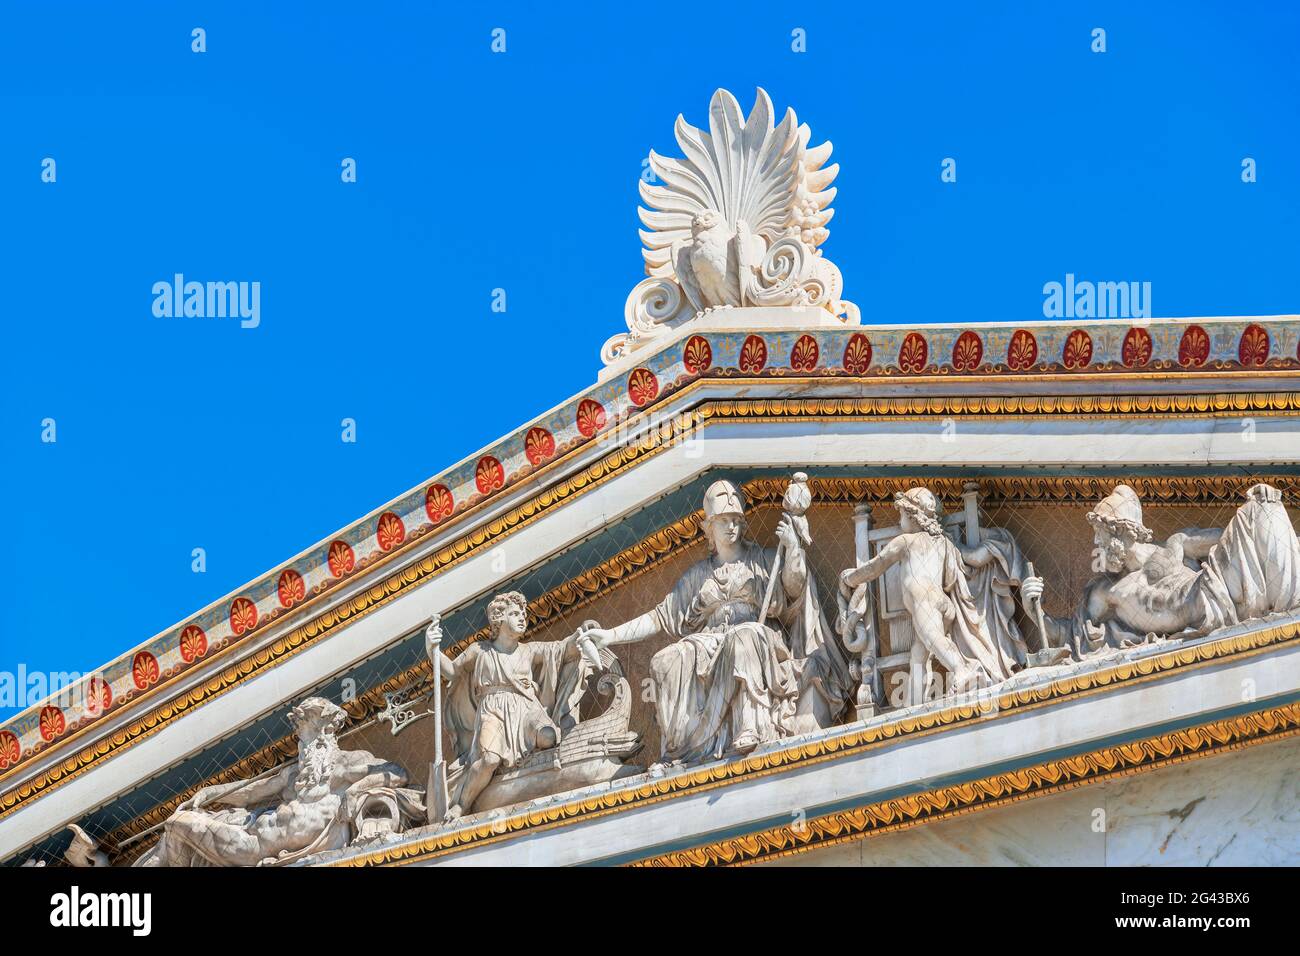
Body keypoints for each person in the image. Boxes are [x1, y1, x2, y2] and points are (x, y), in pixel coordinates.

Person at [583, 480, 826, 765]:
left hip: (760, 641)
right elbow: (660, 616)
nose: (731, 527)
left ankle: (751, 724)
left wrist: (793, 547)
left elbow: (794, 588)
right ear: (709, 527)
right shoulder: (699, 576)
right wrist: (609, 636)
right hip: (710, 645)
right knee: (668, 658)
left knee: (743, 636)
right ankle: (683, 747)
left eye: (736, 520)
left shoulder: (764, 559)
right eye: (723, 520)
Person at [427, 591, 589, 819]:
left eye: (523, 613)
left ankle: (521, 779)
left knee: (548, 738)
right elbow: (452, 670)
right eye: (515, 613)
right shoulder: (480, 651)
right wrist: (432, 649)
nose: (523, 617)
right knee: (489, 759)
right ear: (498, 619)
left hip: (525, 708)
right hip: (493, 709)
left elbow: (561, 650)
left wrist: (582, 636)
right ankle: (461, 805)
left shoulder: (529, 650)